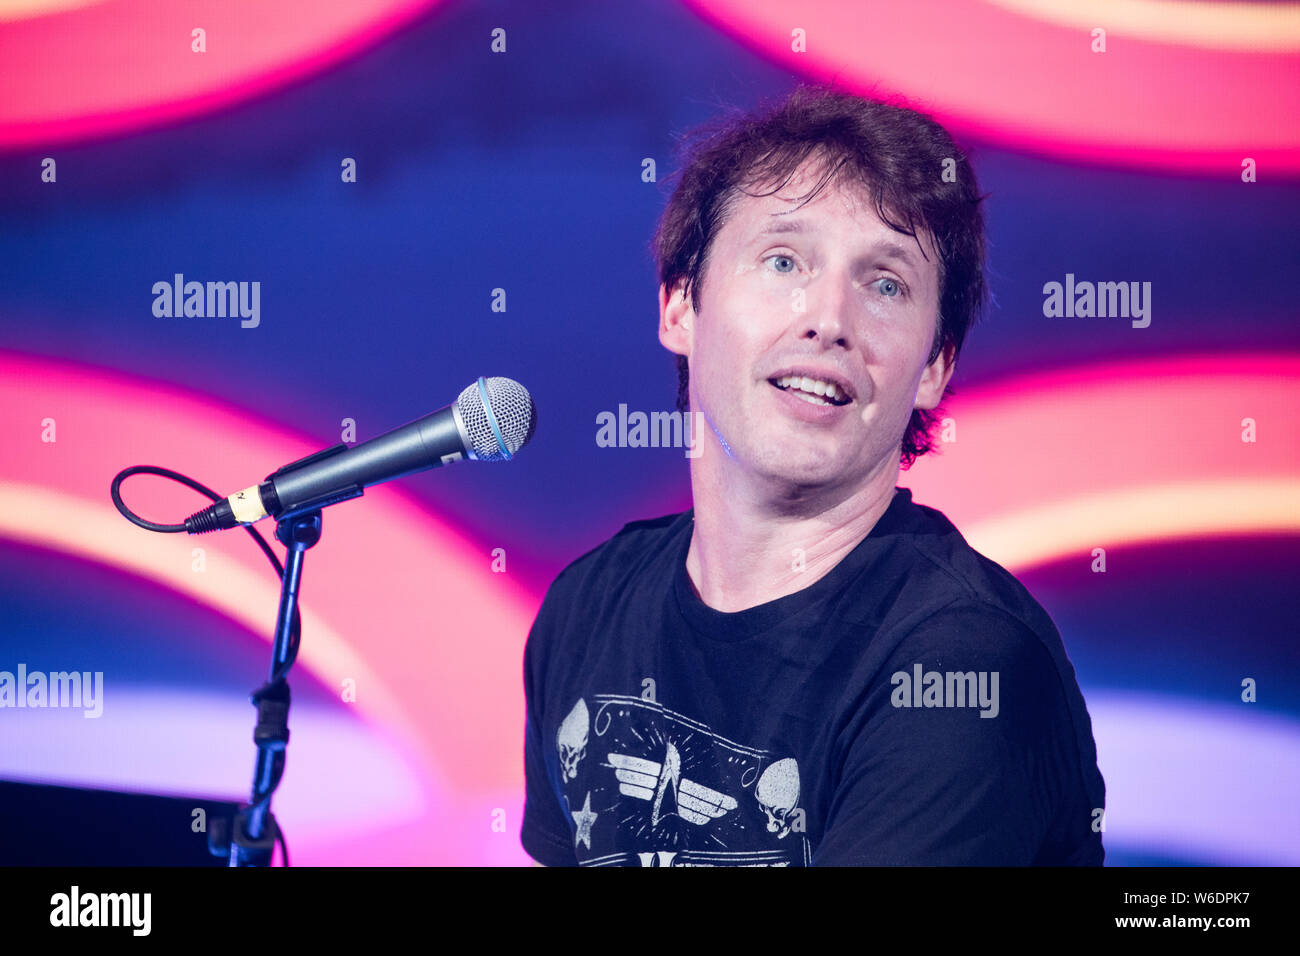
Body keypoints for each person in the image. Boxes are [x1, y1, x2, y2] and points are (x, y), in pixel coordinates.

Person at [521, 83, 1106, 866]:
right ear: (679, 307)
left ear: (933, 366)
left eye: (886, 283)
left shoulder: (959, 661)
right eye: (785, 259)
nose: (829, 318)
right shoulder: (589, 607)